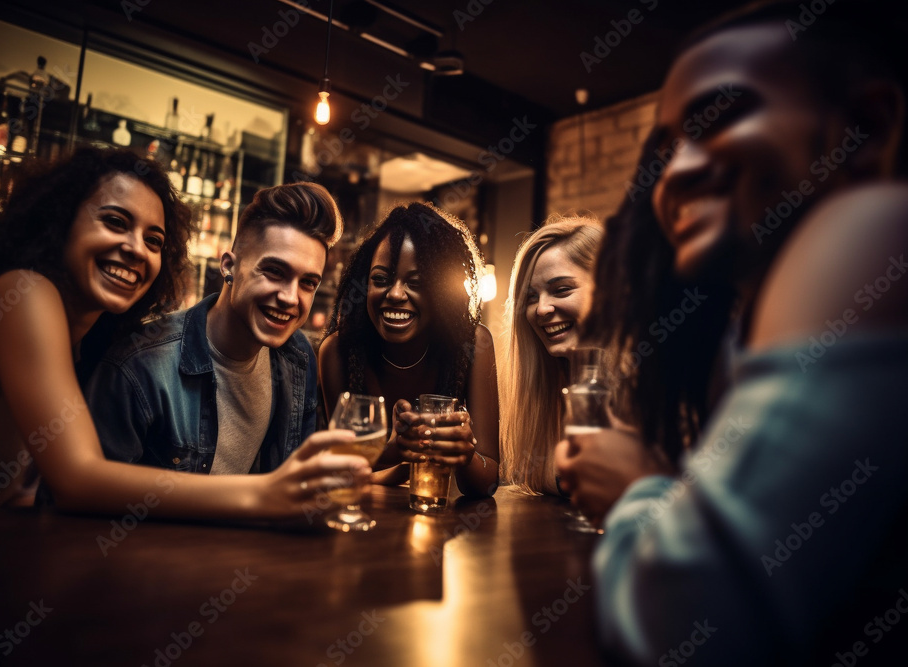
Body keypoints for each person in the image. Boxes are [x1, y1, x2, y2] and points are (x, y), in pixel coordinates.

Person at [556, 1, 908, 664]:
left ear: (866, 128)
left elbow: (688, 625)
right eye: (663, 151)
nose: (676, 173)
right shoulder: (736, 326)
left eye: (718, 118)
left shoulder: (875, 228)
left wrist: (641, 492)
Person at [0, 150, 368, 520]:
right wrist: (263, 495)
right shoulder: (24, 295)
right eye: (114, 221)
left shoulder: (90, 335)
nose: (135, 250)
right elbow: (78, 479)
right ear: (61, 220)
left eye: (154, 240)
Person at [84, 182, 372, 508]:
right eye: (274, 271)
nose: (291, 297)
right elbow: (86, 508)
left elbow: (296, 489)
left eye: (308, 283)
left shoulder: (298, 358)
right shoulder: (140, 364)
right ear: (228, 266)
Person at [318, 202, 499, 497]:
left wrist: (465, 454)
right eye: (380, 280)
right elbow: (339, 473)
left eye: (417, 283)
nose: (395, 294)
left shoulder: (473, 345)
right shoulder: (339, 351)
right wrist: (395, 454)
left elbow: (485, 484)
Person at [499, 216, 605, 495]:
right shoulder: (550, 396)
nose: (542, 309)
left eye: (562, 290)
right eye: (531, 297)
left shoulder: (654, 392)